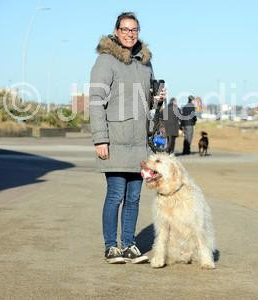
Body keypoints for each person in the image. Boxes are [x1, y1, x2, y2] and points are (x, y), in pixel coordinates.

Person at [89, 12, 165, 264]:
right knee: (116, 195)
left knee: (134, 197)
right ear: (116, 30)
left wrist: (157, 99)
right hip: (116, 139)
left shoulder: (145, 62)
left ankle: (129, 244)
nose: (130, 33)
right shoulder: (105, 61)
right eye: (125, 29)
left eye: (134, 29)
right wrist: (101, 139)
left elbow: (146, 103)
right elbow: (96, 102)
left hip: (140, 142)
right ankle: (112, 246)